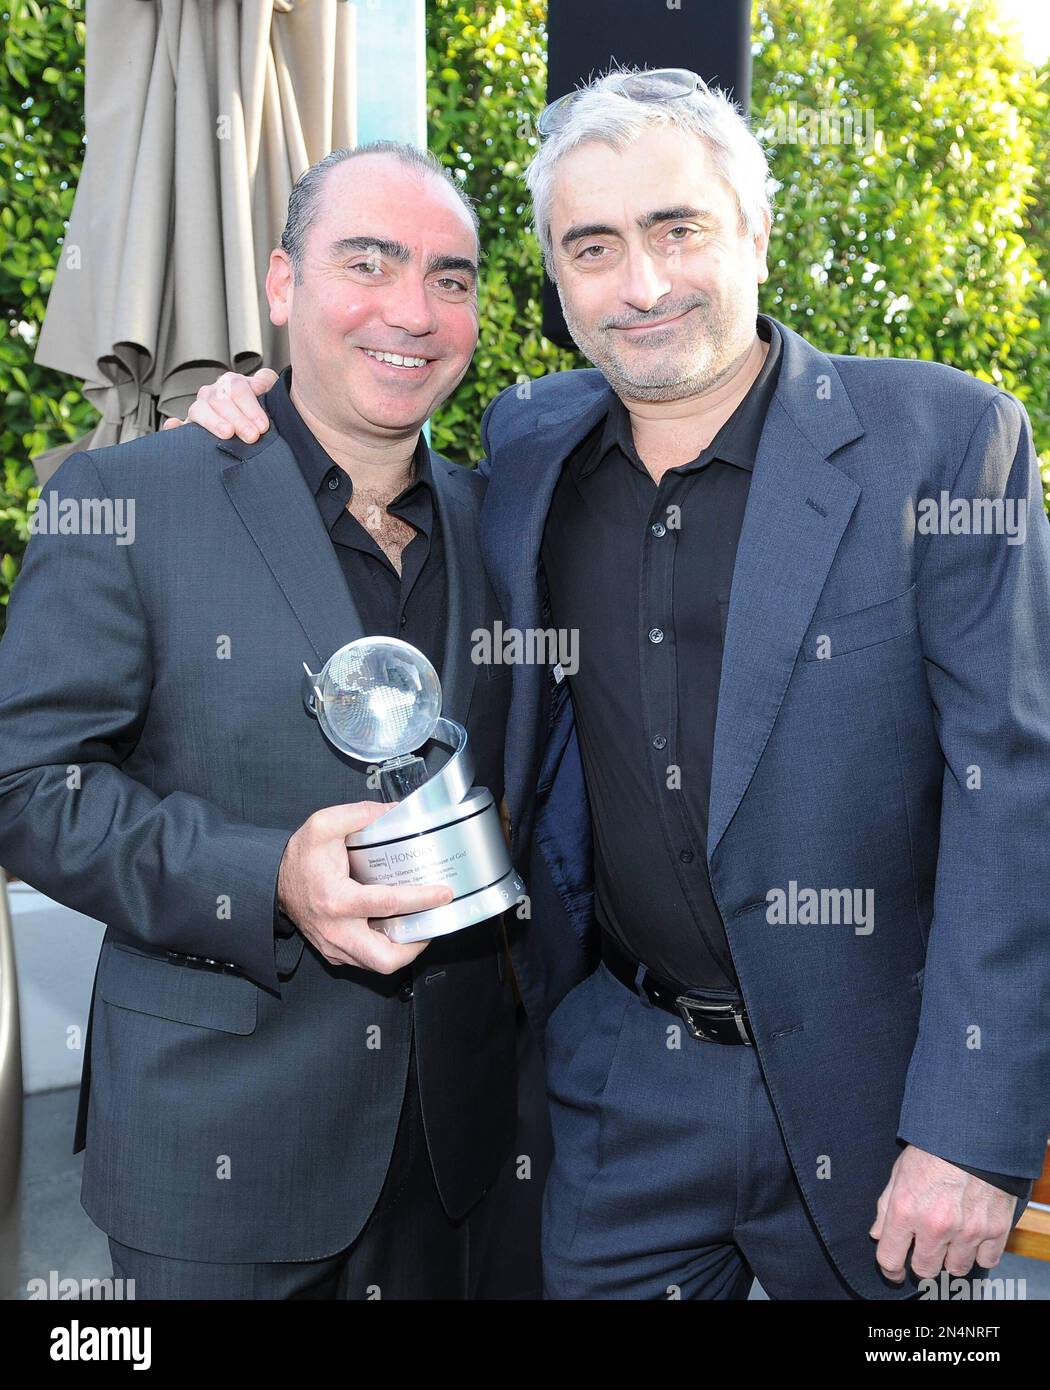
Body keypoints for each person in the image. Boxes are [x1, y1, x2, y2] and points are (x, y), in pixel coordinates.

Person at [176, 70, 1050, 1301]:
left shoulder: (944, 441)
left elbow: (1018, 792)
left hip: (882, 1095)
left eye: (677, 228)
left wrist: (971, 1123)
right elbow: (374, 442)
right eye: (594, 246)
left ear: (754, 230)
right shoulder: (534, 445)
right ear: (557, 277)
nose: (641, 285)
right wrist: (255, 412)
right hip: (614, 1086)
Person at [0, 143, 527, 1299]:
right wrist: (266, 877)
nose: (413, 309)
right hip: (215, 1156)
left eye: (452, 276)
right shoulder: (127, 500)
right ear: (284, 286)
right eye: (369, 262)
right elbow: (28, 786)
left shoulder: (506, 523)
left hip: (460, 1162)